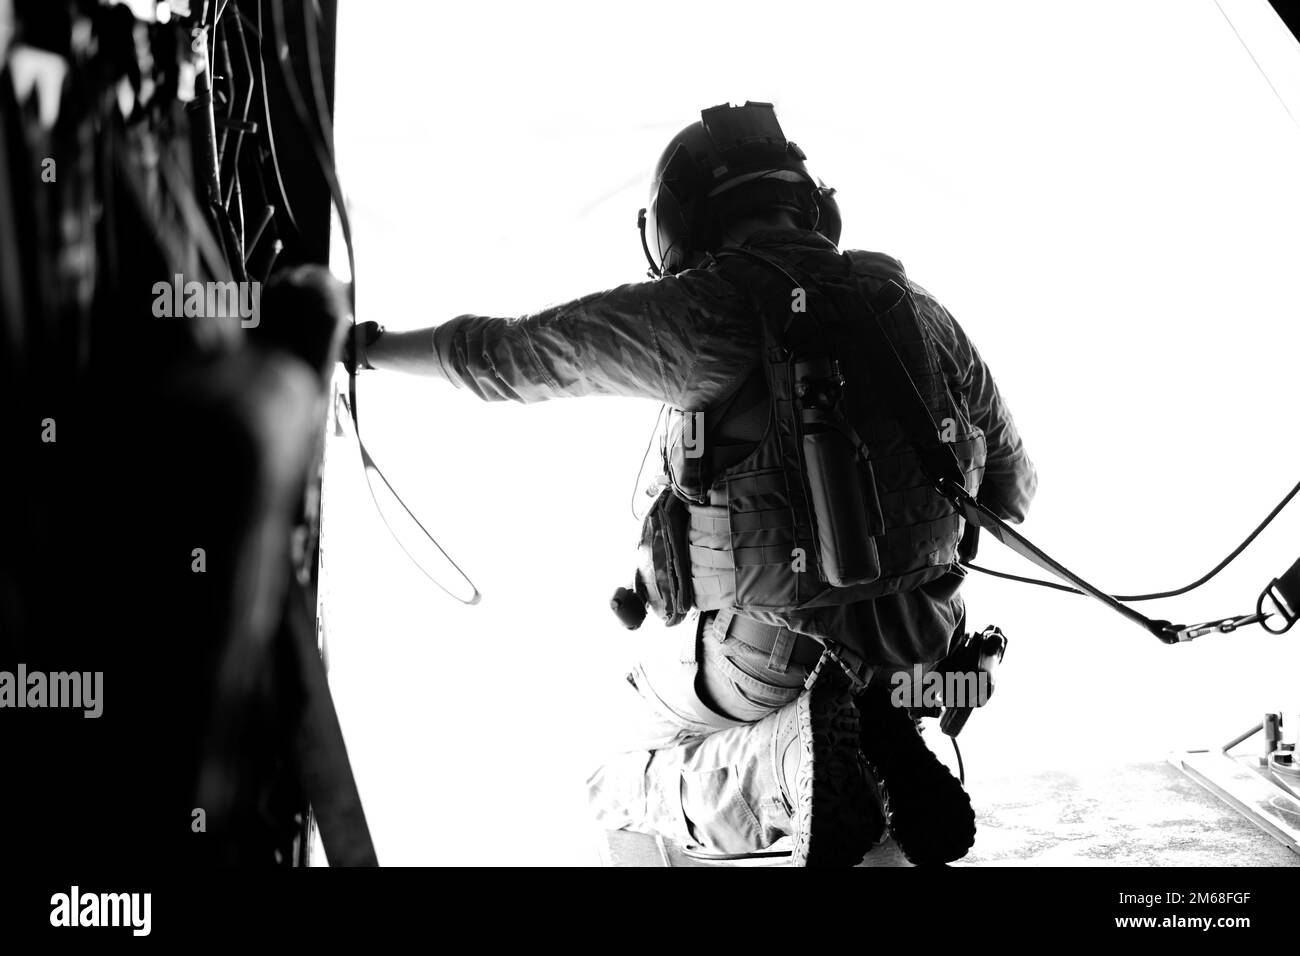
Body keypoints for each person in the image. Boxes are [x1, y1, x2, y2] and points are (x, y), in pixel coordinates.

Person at [349, 102, 1037, 866]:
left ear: (681, 222)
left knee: (617, 777)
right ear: (815, 207)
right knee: (870, 779)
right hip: (922, 650)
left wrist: (363, 349)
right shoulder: (920, 313)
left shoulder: (708, 310)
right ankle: (861, 738)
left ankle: (787, 765)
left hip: (772, 658)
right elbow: (1013, 494)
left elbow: (502, 359)